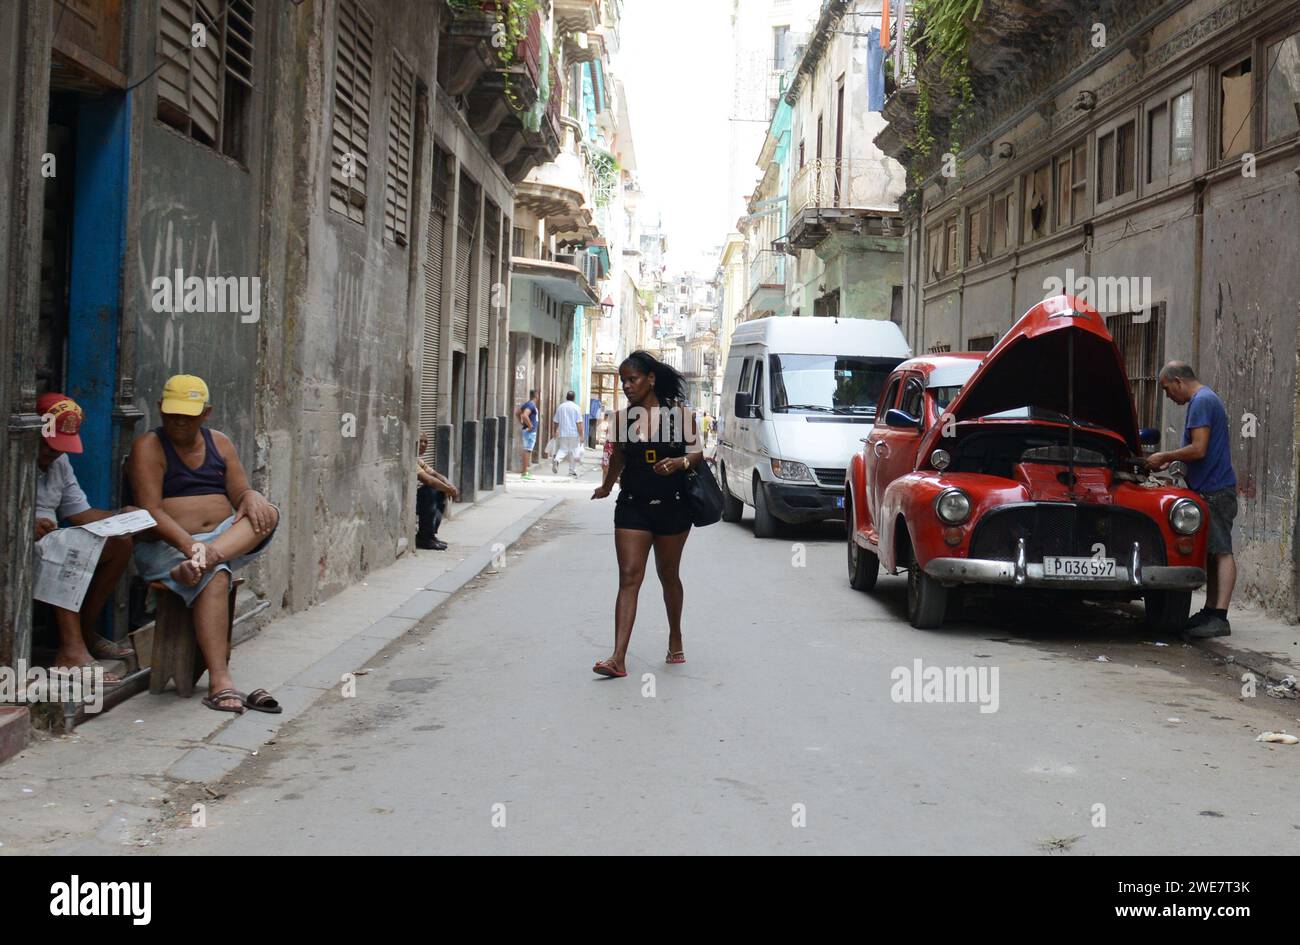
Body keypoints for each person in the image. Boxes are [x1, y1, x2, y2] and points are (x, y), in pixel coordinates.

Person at [127, 375, 281, 713]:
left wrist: (252, 496)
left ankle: (207, 560)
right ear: (160, 409)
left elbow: (240, 494)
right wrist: (188, 546)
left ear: (206, 413)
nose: (179, 422)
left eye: (188, 415)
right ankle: (220, 682)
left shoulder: (220, 443)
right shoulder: (149, 447)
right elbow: (151, 510)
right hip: (167, 549)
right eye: (172, 415)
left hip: (215, 545)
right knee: (217, 576)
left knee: (267, 511)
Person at [590, 351, 704, 676]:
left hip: (673, 507)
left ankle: (675, 635)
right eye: (622, 380)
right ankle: (618, 658)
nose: (626, 386)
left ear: (650, 379)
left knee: (668, 576)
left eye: (632, 379)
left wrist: (679, 462)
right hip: (632, 505)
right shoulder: (623, 419)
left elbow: (696, 453)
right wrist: (607, 486)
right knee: (629, 576)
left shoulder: (679, 416)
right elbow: (619, 460)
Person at [34, 393, 134, 682]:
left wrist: (123, 517)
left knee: (120, 542)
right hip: (19, 545)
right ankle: (70, 651)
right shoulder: (13, 454)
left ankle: (84, 632)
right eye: (47, 445)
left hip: (50, 540)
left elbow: (80, 513)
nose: (52, 453)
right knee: (62, 546)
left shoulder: (59, 462)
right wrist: (26, 525)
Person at [1148, 361, 1238, 638]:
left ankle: (1220, 616)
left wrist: (1165, 456)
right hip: (1210, 489)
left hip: (1216, 491)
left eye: (1166, 389)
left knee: (1222, 552)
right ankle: (1211, 611)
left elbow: (1199, 449)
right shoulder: (1204, 400)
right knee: (1212, 552)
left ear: (1178, 381)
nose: (1168, 396)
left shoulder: (1201, 401)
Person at [415, 431, 459, 551]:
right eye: (420, 441)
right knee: (430, 491)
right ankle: (424, 538)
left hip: (417, 499)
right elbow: (428, 480)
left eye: (426, 442)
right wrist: (448, 489)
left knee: (439, 491)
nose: (423, 444)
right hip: (409, 501)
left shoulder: (419, 460)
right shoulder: (411, 460)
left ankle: (429, 535)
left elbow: (434, 474)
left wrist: (449, 486)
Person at [552, 391, 585, 477]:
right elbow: (579, 423)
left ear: (566, 397)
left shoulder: (560, 407)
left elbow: (556, 421)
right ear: (574, 398)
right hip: (574, 433)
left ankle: (557, 459)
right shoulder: (576, 408)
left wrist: (555, 431)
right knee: (574, 452)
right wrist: (581, 435)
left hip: (563, 433)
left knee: (563, 449)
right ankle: (572, 471)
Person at [516, 389, 539, 480]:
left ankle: (525, 471)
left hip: (527, 430)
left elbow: (517, 413)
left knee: (527, 450)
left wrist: (522, 423)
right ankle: (525, 472)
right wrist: (530, 426)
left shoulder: (527, 404)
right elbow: (524, 415)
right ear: (536, 395)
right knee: (527, 450)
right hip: (530, 432)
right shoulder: (531, 405)